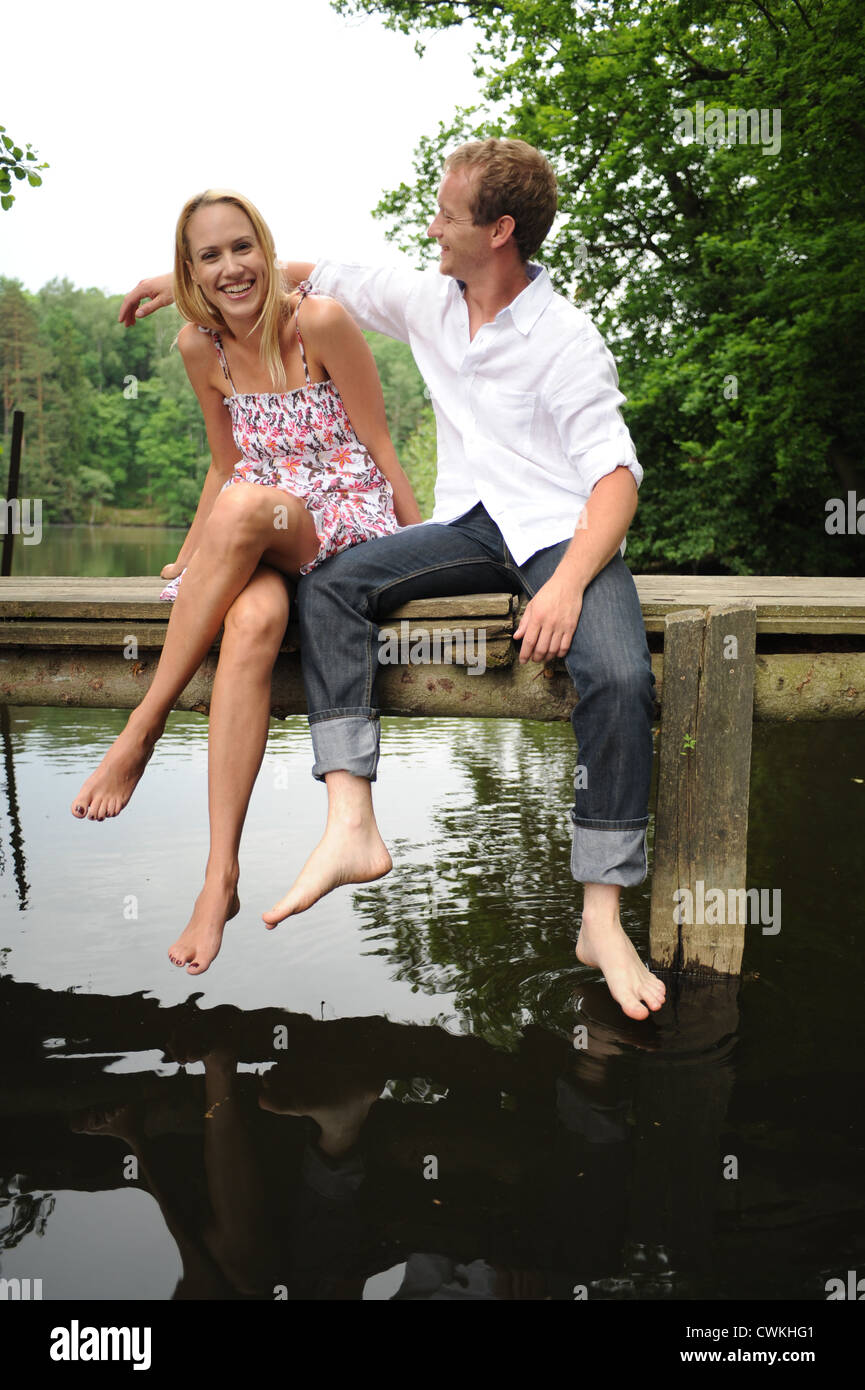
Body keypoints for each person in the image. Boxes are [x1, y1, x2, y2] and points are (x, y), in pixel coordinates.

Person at [117, 139, 666, 1023]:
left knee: (621, 675)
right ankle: (351, 823)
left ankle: (600, 915)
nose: (430, 227)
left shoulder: (565, 338)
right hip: (469, 528)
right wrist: (168, 278)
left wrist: (564, 585)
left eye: (446, 215)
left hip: (564, 534)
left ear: (499, 231)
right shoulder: (428, 300)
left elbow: (614, 481)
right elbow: (300, 268)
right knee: (333, 580)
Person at [71, 189, 421, 975]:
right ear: (189, 271)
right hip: (256, 527)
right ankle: (219, 876)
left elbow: (378, 443)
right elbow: (227, 464)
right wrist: (193, 552)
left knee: (245, 510)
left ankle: (142, 727)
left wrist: (422, 548)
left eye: (242, 247)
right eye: (209, 255)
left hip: (339, 523)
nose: (231, 268)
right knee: (252, 626)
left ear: (265, 249)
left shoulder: (319, 322)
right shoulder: (202, 350)